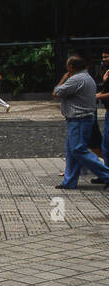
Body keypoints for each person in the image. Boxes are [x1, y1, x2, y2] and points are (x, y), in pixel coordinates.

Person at [52, 54, 109, 189]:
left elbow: (56, 93)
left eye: (67, 65)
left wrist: (64, 78)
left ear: (71, 67)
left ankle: (106, 174)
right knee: (72, 151)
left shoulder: (76, 79)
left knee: (78, 150)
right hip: (82, 118)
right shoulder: (87, 77)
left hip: (79, 119)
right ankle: (69, 181)